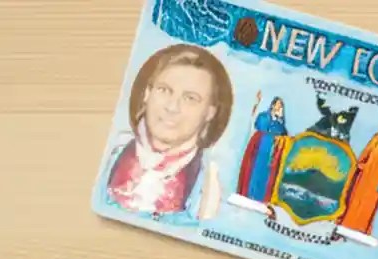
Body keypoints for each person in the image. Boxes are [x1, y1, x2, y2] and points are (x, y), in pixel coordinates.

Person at [102, 43, 234, 221]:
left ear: (210, 112)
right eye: (164, 90)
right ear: (147, 94)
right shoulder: (111, 155)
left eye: (190, 99)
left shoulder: (206, 187)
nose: (172, 107)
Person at [236, 93, 289, 203]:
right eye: (278, 105)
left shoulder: (280, 123)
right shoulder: (264, 116)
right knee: (253, 170)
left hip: (271, 150)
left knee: (266, 174)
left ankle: (260, 198)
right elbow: (260, 125)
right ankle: (249, 194)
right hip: (260, 146)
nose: (279, 107)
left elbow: (283, 134)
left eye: (281, 106)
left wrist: (278, 120)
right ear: (273, 105)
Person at [338, 127, 378, 236]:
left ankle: (350, 224)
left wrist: (358, 167)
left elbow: (364, 158)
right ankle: (362, 228)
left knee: (356, 203)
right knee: (368, 207)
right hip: (376, 187)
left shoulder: (376, 142)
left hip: (365, 182)